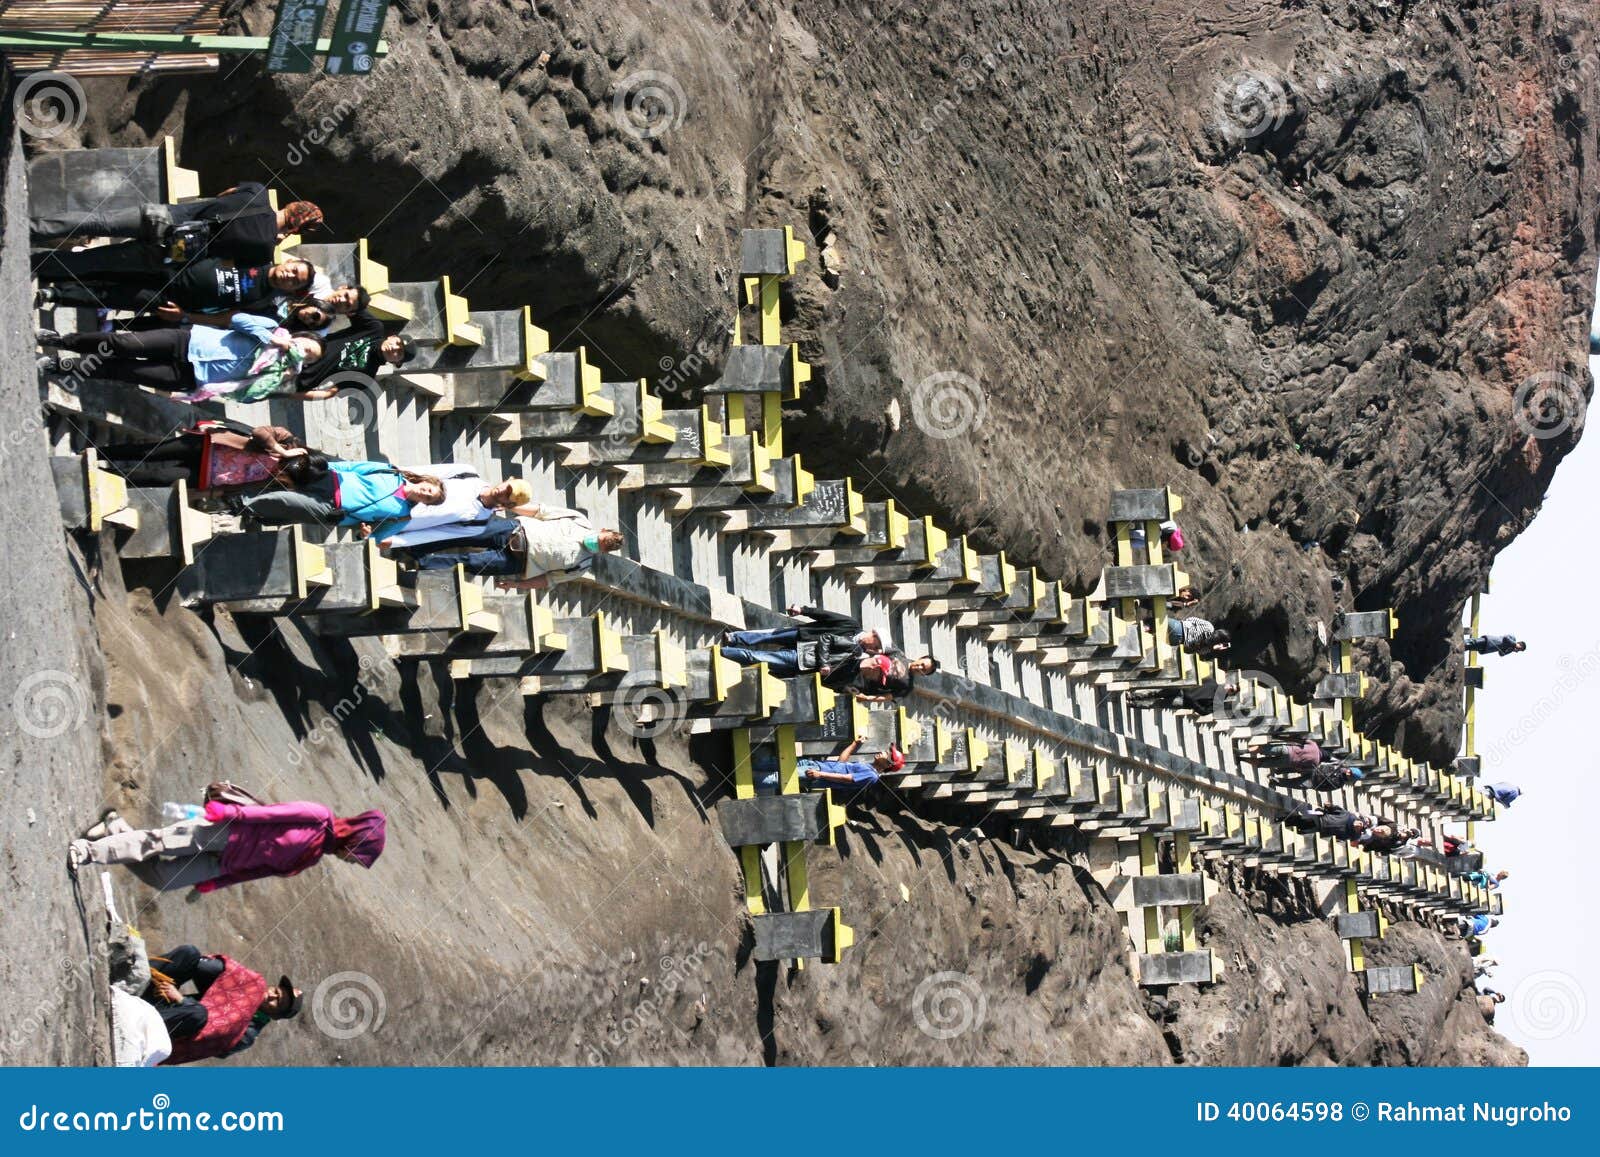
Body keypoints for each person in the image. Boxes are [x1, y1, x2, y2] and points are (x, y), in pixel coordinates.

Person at [67, 800, 385, 893]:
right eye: (357, 855)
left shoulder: (312, 857)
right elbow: (270, 814)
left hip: (224, 864)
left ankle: (115, 828)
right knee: (155, 841)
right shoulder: (317, 816)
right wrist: (230, 813)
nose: (350, 861)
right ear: (356, 837)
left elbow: (259, 872)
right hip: (227, 832)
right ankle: (89, 852)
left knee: (162, 879)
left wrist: (219, 881)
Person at [31, 181, 322, 266]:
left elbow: (221, 194)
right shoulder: (263, 252)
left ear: (292, 205)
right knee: (99, 260)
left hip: (165, 217)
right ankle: (41, 265)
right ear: (298, 229)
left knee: (97, 223)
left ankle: (33, 230)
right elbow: (226, 264)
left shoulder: (256, 193)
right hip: (171, 252)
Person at [37, 316, 327, 401]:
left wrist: (277, 379)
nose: (303, 351)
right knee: (122, 342)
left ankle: (58, 366)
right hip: (191, 342)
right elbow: (238, 319)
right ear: (300, 337)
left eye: (309, 357)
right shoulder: (272, 328)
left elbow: (245, 398)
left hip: (193, 378)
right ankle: (62, 340)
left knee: (124, 371)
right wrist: (270, 338)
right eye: (306, 346)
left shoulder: (277, 375)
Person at [143, 945, 301, 1065]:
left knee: (198, 1014)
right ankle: (131, 977)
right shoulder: (247, 989)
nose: (271, 995)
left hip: (166, 1029)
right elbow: (202, 968)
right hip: (162, 1003)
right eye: (276, 991)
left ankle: (137, 1024)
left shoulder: (248, 1035)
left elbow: (205, 1040)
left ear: (275, 1015)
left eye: (277, 1001)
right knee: (190, 953)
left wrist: (183, 1001)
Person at [397, 505, 625, 588]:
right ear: (603, 530)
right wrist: (511, 505)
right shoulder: (578, 520)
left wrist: (517, 585)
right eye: (602, 538)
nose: (599, 543)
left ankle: (420, 563)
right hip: (513, 530)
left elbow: (548, 580)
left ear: (604, 552)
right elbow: (540, 511)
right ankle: (416, 542)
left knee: (469, 563)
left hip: (517, 562)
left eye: (603, 546)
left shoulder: (581, 565)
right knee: (464, 534)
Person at [34, 254, 317, 318]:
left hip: (172, 298)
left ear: (294, 290)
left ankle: (55, 294)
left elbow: (224, 318)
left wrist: (184, 316)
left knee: (113, 295)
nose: (291, 275)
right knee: (108, 265)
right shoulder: (256, 255)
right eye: (294, 269)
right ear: (290, 261)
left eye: (297, 280)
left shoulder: (263, 302)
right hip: (170, 266)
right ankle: (55, 271)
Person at [91, 419, 323, 493]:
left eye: (289, 476)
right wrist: (281, 451)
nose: (283, 471)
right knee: (148, 452)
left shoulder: (284, 484)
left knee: (158, 478)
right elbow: (259, 432)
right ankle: (95, 453)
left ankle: (101, 476)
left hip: (208, 477)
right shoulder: (286, 441)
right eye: (287, 467)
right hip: (206, 447)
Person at [236, 461, 446, 533]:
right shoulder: (391, 472)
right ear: (426, 481)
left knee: (284, 501)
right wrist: (322, 466)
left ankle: (238, 505)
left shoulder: (401, 516)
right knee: (282, 478)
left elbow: (376, 536)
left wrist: (365, 532)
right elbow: (353, 466)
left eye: (428, 498)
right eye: (429, 489)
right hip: (331, 480)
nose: (425, 493)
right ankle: (237, 491)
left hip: (333, 510)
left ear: (425, 504)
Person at [376, 470, 534, 550]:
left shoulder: (478, 524)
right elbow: (424, 473)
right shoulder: (467, 473)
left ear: (508, 505)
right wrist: (387, 472)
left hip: (393, 522)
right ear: (506, 481)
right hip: (390, 491)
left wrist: (395, 542)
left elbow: (436, 534)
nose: (502, 491)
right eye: (507, 488)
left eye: (508, 496)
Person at [297, 305, 415, 389]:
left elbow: (330, 391)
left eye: (399, 353)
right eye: (397, 343)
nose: (394, 348)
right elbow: (351, 306)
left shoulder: (365, 378)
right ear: (393, 337)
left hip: (299, 378)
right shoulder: (373, 328)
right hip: (302, 348)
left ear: (396, 362)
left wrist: (294, 394)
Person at [752, 736, 908, 795]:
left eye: (886, 754)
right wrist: (854, 744)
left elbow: (846, 779)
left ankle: (746, 781)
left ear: (887, 764)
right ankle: (745, 768)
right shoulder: (869, 767)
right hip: (817, 765)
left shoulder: (871, 776)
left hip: (817, 772)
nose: (882, 752)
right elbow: (841, 764)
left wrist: (821, 775)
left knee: (779, 777)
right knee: (777, 763)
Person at [1126, 678, 1237, 715]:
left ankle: (1134, 704)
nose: (1229, 688)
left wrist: (1193, 703)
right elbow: (1195, 680)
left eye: (1232, 690)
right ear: (1228, 683)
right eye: (1231, 686)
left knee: (1158, 703)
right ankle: (1133, 696)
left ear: (1231, 693)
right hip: (1181, 688)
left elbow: (1204, 712)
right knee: (1156, 692)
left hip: (1183, 701)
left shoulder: (1218, 703)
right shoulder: (1212, 681)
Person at [1282, 802, 1373, 840]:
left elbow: (1338, 838)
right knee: (1299, 819)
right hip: (1320, 819)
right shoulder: (1349, 815)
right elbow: (1336, 809)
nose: (1359, 826)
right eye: (1360, 824)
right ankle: (1281, 819)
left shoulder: (1349, 834)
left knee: (1301, 831)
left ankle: (1282, 831)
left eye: (1360, 828)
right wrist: (1329, 806)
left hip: (1320, 831)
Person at [1269, 760, 1363, 792]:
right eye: (1350, 771)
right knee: (1296, 767)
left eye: (1350, 774)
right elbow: (1327, 762)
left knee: (1295, 784)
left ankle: (1274, 781)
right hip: (1314, 770)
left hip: (1313, 782)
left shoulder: (1339, 784)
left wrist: (1316, 787)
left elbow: (1326, 789)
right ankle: (1278, 770)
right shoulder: (1339, 765)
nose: (1348, 772)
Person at [1245, 737, 1322, 772]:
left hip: (1287, 750)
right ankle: (1242, 759)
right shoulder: (1315, 764)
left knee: (1263, 749)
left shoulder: (1314, 745)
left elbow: (1297, 740)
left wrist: (1282, 738)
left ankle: (1244, 751)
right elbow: (1299, 769)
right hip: (1288, 762)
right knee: (1262, 763)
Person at [1166, 616, 1230, 655]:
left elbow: (1192, 619)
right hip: (1179, 640)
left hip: (1178, 626)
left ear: (1219, 631)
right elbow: (1198, 652)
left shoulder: (1210, 626)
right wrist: (1214, 648)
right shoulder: (1208, 647)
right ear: (1220, 642)